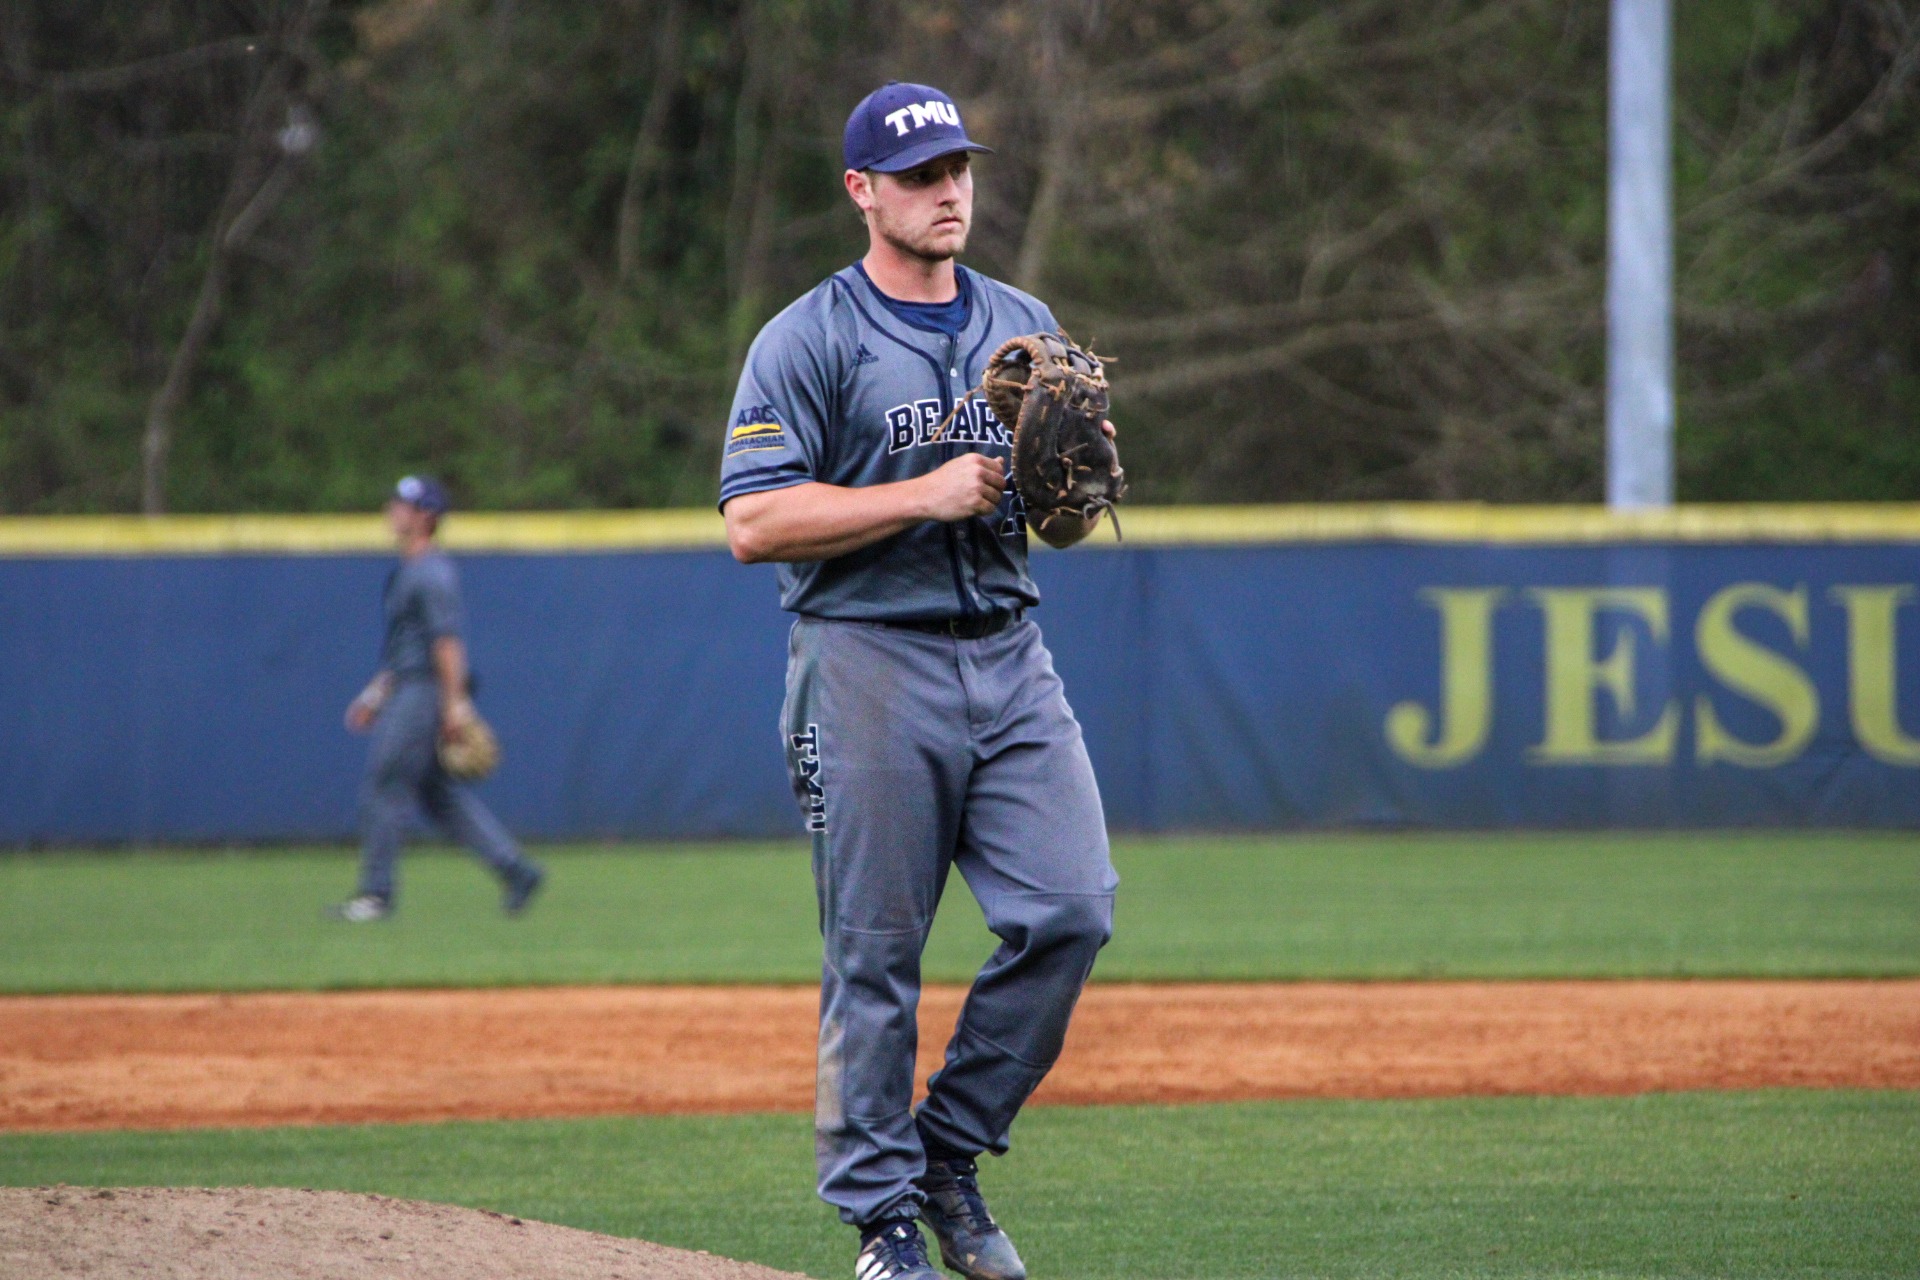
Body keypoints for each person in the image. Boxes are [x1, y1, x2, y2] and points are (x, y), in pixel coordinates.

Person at [719, 83, 1119, 1280]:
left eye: (959, 169)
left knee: (1071, 907)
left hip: (1008, 651)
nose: (949, 191)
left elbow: (1054, 518)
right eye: (920, 174)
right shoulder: (806, 338)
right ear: (863, 192)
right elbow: (753, 521)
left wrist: (1066, 483)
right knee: (876, 956)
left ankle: (946, 1150)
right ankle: (884, 1215)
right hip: (865, 660)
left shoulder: (1021, 318)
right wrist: (922, 491)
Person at [330, 475, 544, 923]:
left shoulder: (431, 571)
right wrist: (375, 693)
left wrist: (455, 705)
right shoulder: (412, 569)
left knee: (386, 785)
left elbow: (446, 644)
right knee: (435, 793)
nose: (394, 510)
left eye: (404, 504)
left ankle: (375, 895)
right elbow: (403, 645)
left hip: (424, 690)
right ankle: (515, 869)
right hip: (409, 685)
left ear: (426, 516)